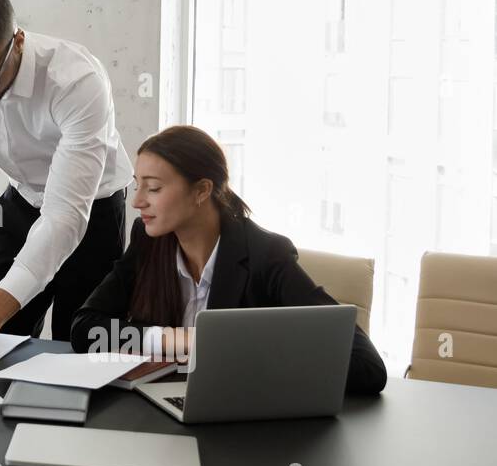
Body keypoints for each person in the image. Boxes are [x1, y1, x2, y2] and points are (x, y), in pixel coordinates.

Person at [70, 124, 387, 395]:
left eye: (153, 188)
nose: (137, 201)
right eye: (138, 185)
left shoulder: (266, 256)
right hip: (158, 407)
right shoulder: (149, 241)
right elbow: (86, 329)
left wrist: (238, 351)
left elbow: (366, 367)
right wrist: (177, 339)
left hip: (238, 423)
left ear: (201, 190)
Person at [0, 0, 133, 370]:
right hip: (21, 200)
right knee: (0, 343)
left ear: (18, 42)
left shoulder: (77, 80)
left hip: (94, 210)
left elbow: (63, 217)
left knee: (82, 348)